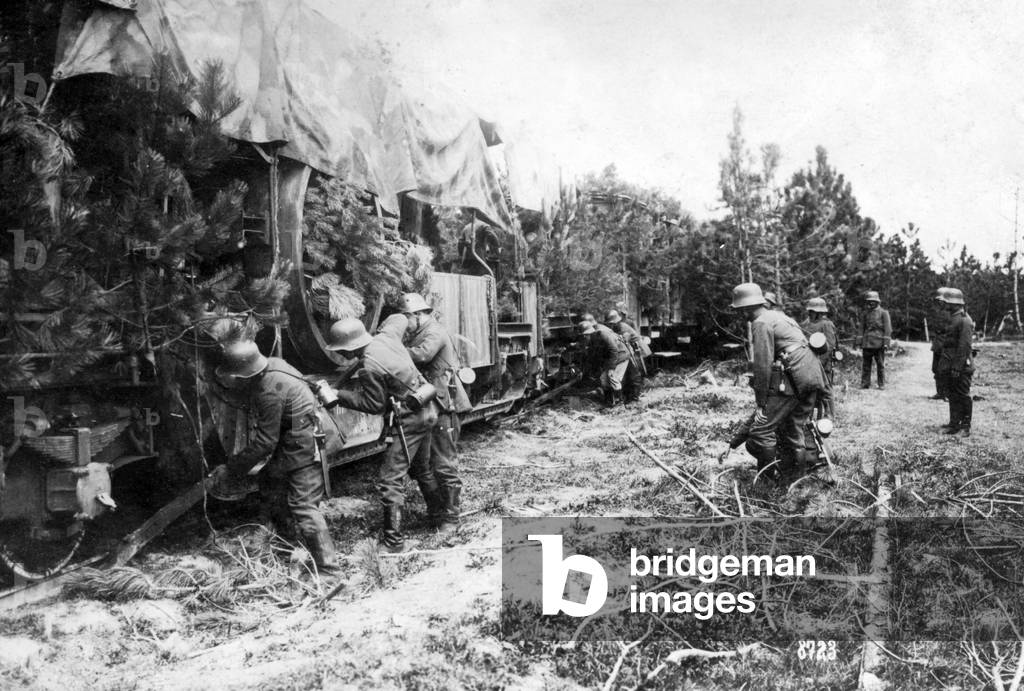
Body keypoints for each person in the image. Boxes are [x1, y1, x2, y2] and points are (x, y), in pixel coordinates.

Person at [211, 340, 340, 575]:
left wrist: (232, 469)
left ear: (244, 377)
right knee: (270, 481)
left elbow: (264, 443)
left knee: (304, 506)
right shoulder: (273, 364)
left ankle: (330, 571)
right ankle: (288, 544)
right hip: (298, 433)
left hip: (308, 442)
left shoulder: (267, 393)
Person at [318, 314, 438, 552]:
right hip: (428, 409)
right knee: (422, 469)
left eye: (342, 350)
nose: (341, 354)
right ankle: (439, 517)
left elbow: (374, 405)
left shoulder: (368, 368)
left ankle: (394, 543)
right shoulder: (386, 336)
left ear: (351, 348)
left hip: (410, 420)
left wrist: (337, 395)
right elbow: (399, 318)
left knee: (389, 480)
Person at [719, 283, 828, 481]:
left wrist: (762, 402)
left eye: (739, 309)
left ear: (745, 307)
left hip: (794, 377)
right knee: (794, 428)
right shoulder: (780, 316)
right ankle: (795, 480)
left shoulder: (761, 322)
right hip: (812, 374)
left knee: (761, 432)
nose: (739, 313)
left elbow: (762, 365)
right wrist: (732, 443)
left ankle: (767, 483)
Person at [400, 293, 473, 530]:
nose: (404, 323)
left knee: (443, 464)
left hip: (444, 404)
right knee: (421, 465)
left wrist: (391, 350)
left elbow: (423, 355)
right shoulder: (418, 332)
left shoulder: (434, 332)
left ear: (418, 315)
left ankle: (450, 518)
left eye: (406, 318)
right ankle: (436, 511)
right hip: (430, 405)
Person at [936, 288, 974, 437]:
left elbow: (964, 346)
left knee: (962, 395)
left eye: (948, 302)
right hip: (951, 364)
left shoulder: (965, 320)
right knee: (953, 394)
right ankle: (954, 423)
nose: (945, 305)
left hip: (961, 365)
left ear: (956, 303)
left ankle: (965, 427)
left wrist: (957, 367)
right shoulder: (954, 317)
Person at [577, 312, 631, 406]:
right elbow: (591, 357)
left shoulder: (602, 334)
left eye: (586, 335)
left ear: (591, 332)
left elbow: (614, 350)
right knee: (603, 379)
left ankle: (620, 403)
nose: (585, 337)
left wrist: (611, 368)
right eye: (583, 336)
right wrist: (584, 371)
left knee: (613, 377)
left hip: (621, 355)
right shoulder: (591, 340)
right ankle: (609, 401)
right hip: (612, 358)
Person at [801, 297, 838, 418]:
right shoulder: (805, 324)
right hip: (806, 361)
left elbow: (830, 346)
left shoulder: (827, 324)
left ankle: (829, 416)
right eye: (810, 311)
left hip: (822, 362)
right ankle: (807, 415)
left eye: (813, 311)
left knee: (825, 390)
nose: (811, 313)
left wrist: (820, 363)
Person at [604, 309, 645, 404]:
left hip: (636, 348)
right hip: (627, 348)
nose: (610, 325)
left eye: (611, 323)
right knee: (628, 374)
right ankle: (629, 396)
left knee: (634, 373)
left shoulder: (622, 328)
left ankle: (634, 398)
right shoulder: (616, 327)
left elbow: (625, 342)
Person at [859, 290, 892, 389]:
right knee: (866, 364)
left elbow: (888, 329)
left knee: (880, 365)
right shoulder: (865, 314)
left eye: (873, 301)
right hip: (867, 343)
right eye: (869, 301)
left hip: (879, 343)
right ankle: (865, 383)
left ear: (878, 301)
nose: (871, 303)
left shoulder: (884, 313)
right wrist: (859, 342)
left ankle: (881, 384)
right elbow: (861, 328)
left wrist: (886, 343)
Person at [929, 288, 950, 401]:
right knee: (936, 369)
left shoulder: (953, 314)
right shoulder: (937, 313)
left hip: (947, 345)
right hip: (938, 344)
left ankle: (946, 394)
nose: (940, 303)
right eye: (938, 301)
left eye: (942, 301)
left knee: (945, 370)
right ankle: (939, 392)